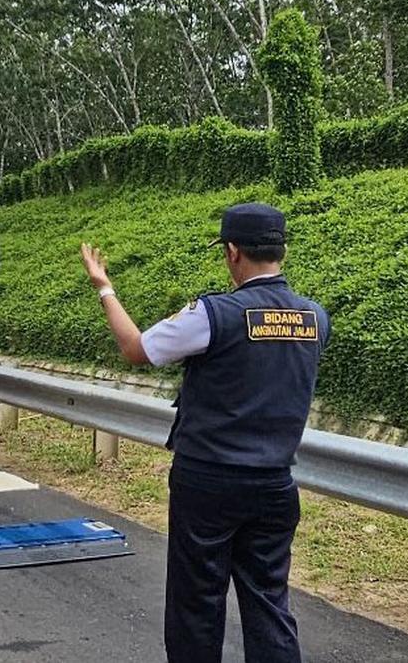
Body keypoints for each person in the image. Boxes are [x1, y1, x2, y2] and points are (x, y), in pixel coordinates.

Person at [80, 202, 330, 663]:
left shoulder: (214, 314)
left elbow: (136, 349)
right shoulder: (314, 318)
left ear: (232, 252)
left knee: (196, 604)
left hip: (209, 483)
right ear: (283, 252)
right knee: (269, 605)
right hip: (276, 484)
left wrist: (105, 288)